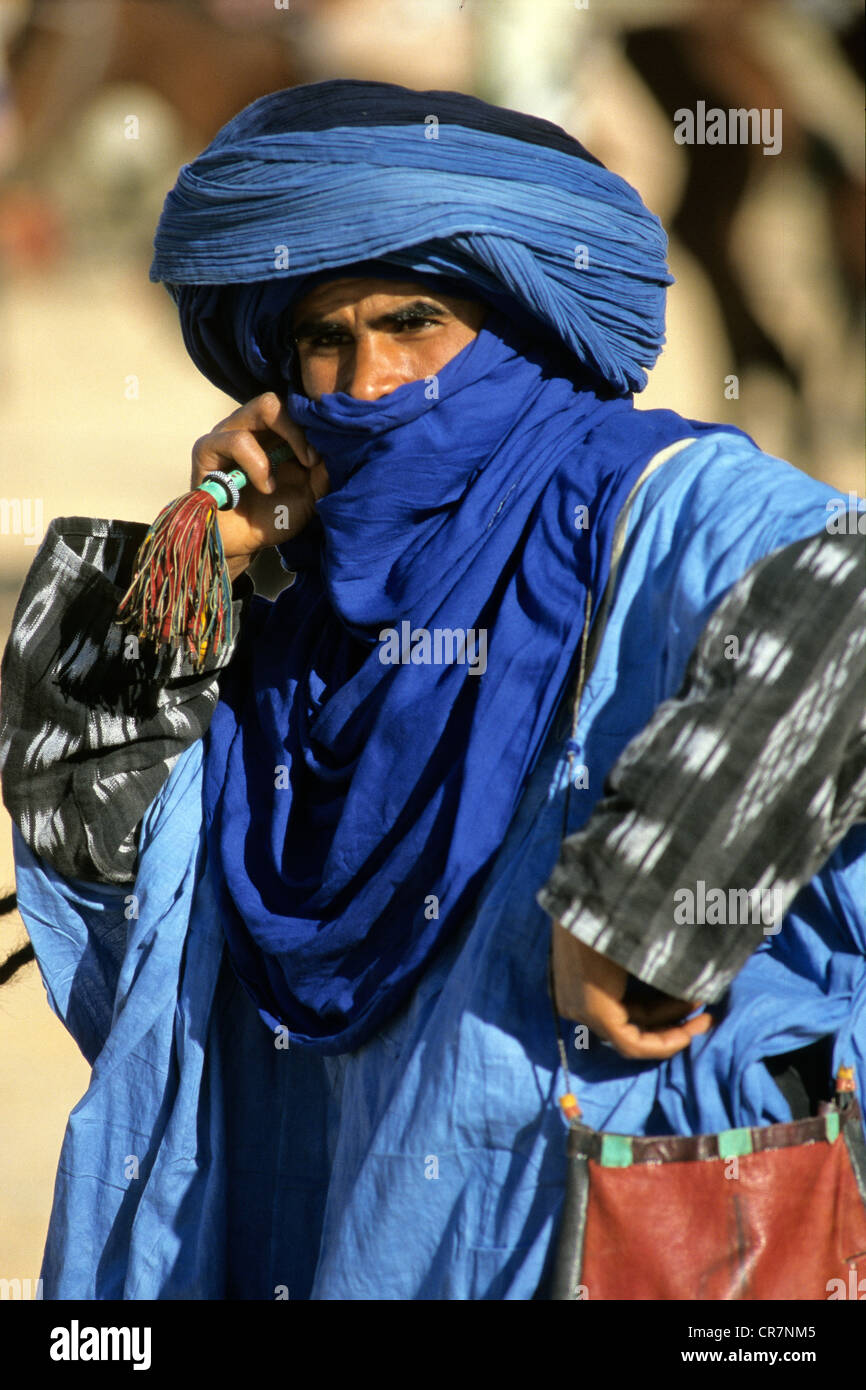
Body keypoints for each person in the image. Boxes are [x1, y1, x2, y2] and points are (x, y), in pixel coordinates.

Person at [1, 79, 863, 1300]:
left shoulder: (648, 503)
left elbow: (846, 597)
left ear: (519, 330)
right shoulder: (293, 633)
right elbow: (115, 945)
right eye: (324, 343)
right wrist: (195, 585)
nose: (367, 388)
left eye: (415, 327)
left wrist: (637, 904)